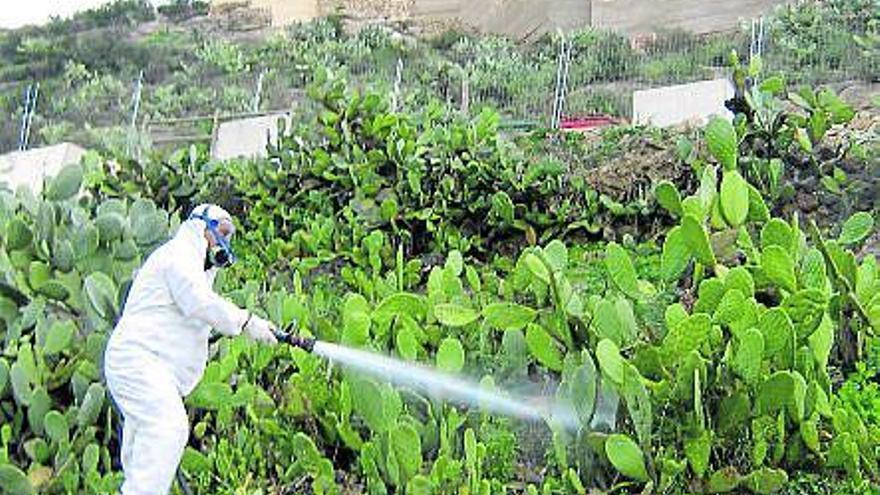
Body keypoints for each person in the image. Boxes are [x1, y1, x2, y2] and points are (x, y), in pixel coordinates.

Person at [104, 204, 278, 495]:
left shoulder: (195, 268)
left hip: (146, 364)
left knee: (144, 447)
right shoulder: (179, 256)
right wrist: (246, 321)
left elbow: (190, 315)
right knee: (169, 427)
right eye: (221, 233)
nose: (225, 242)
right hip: (137, 360)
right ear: (201, 227)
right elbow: (196, 301)